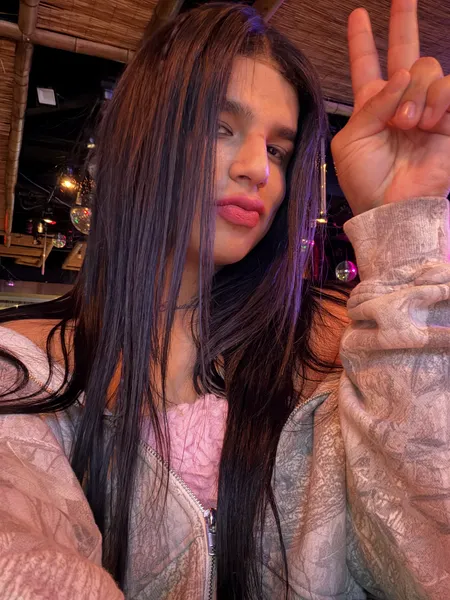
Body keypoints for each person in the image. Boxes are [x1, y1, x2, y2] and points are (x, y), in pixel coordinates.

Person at [0, 0, 449, 598]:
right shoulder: (25, 368)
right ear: (140, 140)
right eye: (219, 127)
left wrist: (402, 229)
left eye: (278, 150)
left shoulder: (341, 344)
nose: (257, 169)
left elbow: (427, 558)